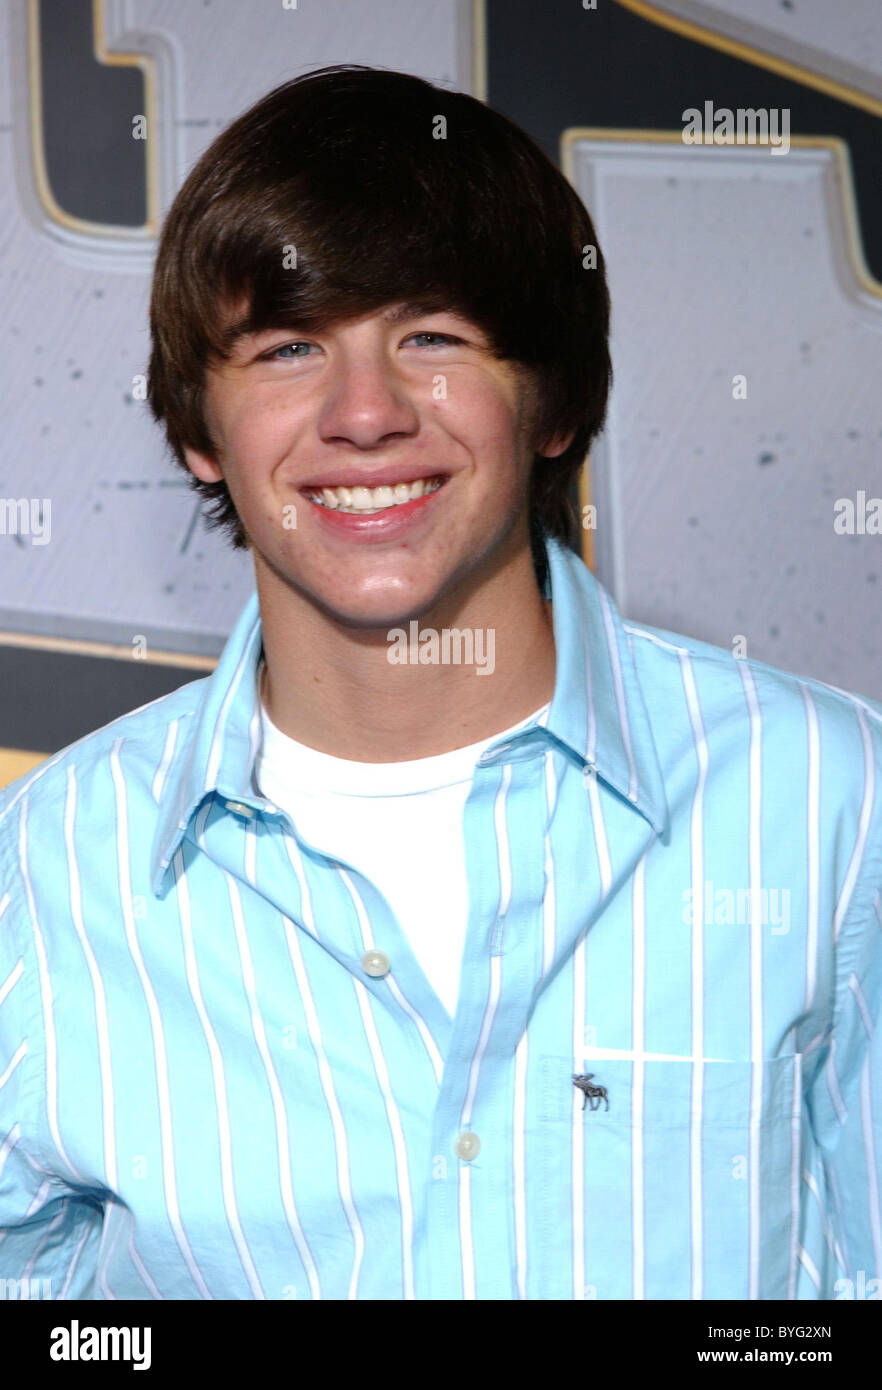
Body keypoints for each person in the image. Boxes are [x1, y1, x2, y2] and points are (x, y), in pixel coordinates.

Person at [0, 64, 879, 1302]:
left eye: (432, 337)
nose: (366, 413)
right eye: (290, 345)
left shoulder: (831, 806)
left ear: (555, 400)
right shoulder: (44, 873)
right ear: (201, 430)